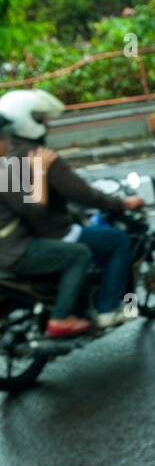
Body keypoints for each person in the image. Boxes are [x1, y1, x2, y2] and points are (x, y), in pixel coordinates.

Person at [0, 89, 145, 329]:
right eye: (40, 118)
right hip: (46, 237)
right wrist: (120, 203)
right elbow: (79, 195)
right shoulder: (37, 158)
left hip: (26, 237)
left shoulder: (10, 161)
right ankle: (106, 309)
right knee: (117, 241)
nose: (46, 124)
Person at [0, 114, 93, 337]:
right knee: (82, 254)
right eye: (4, 138)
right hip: (14, 251)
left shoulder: (8, 165)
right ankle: (62, 317)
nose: (8, 142)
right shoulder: (5, 172)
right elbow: (35, 208)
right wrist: (41, 169)